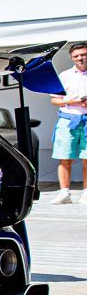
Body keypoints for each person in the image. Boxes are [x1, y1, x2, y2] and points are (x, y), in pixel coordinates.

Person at [49, 42, 87, 204]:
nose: (80, 58)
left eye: (83, 54)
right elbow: (54, 99)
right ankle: (64, 192)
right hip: (67, 120)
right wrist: (70, 101)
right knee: (64, 157)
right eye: (77, 56)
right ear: (72, 58)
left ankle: (86, 192)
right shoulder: (65, 76)